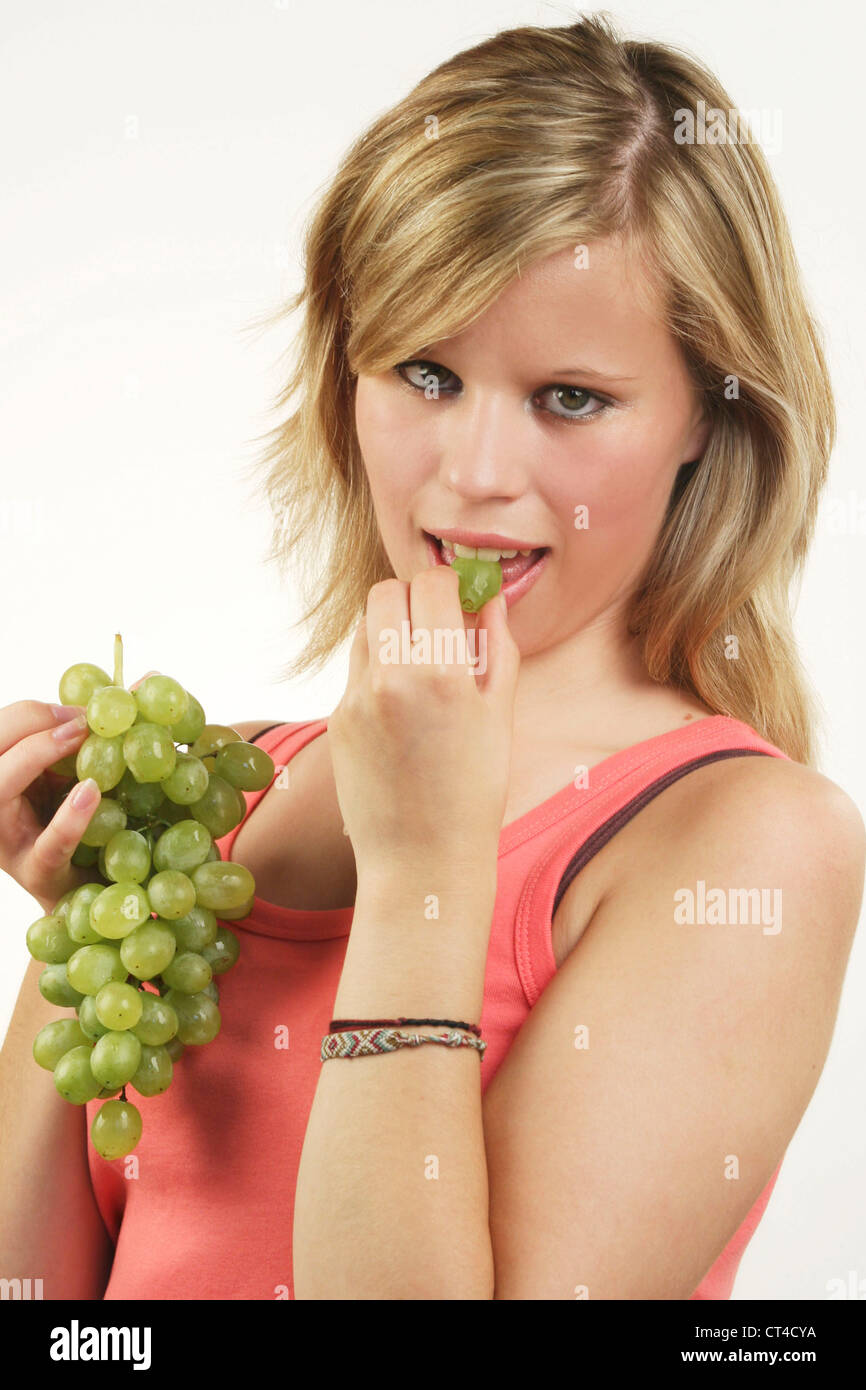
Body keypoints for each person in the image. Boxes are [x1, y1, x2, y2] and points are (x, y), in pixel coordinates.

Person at [1, 13, 863, 1301]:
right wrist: (75, 952)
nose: (472, 477)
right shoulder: (226, 797)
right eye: (424, 371)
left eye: (571, 397)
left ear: (708, 413)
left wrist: (422, 878)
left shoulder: (747, 842)